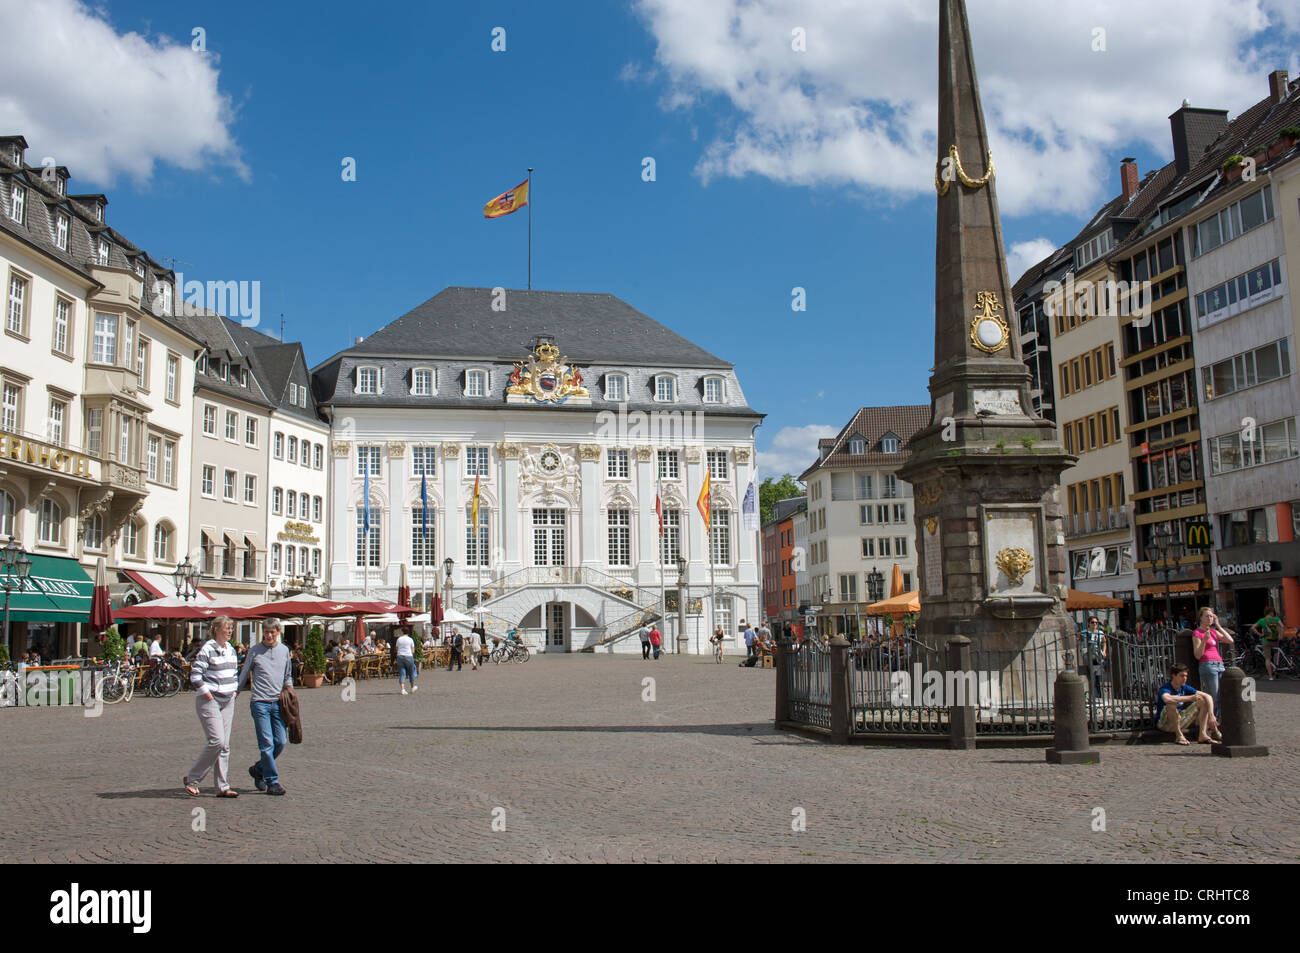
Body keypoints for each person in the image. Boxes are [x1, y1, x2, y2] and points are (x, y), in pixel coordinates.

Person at [183, 615, 241, 798]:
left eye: (231, 628)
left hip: (228, 699)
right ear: (216, 629)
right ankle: (193, 778)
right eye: (226, 628)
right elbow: (195, 675)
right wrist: (207, 693)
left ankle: (222, 787)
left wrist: (233, 692)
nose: (230, 631)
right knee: (217, 741)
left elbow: (234, 672)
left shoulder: (231, 649)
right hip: (210, 700)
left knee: (225, 746)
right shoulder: (207, 649)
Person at [238, 619, 293, 797]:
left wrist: (289, 688)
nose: (268, 635)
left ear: (278, 632)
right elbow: (245, 673)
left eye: (272, 632)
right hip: (259, 702)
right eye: (266, 632)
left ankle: (258, 769)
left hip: (277, 703)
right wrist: (234, 693)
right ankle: (272, 781)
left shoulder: (284, 651)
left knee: (281, 741)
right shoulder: (255, 651)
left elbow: (287, 675)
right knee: (267, 744)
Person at [1155, 662, 1220, 745]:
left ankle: (1203, 735)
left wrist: (1211, 715)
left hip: (1179, 719)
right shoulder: (1166, 687)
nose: (1185, 678)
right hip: (1163, 723)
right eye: (1182, 676)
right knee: (1171, 704)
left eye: (1186, 676)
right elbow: (1167, 698)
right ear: (1174, 675)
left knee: (1203, 701)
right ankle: (1179, 736)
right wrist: (1190, 698)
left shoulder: (1184, 687)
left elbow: (1208, 696)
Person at [1193, 607, 1234, 716]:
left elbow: (1230, 640)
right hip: (1208, 665)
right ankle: (1214, 719)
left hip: (1219, 664)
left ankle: (1215, 717)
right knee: (1214, 695)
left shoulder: (1213, 631)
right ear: (1200, 618)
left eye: (1211, 616)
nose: (1209, 618)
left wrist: (1219, 626)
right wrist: (1205, 640)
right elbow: (1197, 655)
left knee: (1221, 693)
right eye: (1207, 616)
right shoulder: (1197, 633)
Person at [1251, 605, 1284, 679]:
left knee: (1267, 658)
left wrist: (1259, 634)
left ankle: (1270, 676)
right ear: (1271, 612)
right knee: (1276, 655)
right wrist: (1280, 636)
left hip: (1266, 640)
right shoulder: (1276, 619)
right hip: (1275, 640)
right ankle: (1276, 670)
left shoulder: (1262, 620)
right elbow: (1282, 626)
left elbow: (1253, 627)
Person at [1081, 617, 1107, 698]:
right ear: (1088, 623)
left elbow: (1104, 641)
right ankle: (1094, 695)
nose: (1095, 624)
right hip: (1088, 654)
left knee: (1098, 675)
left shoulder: (1100, 633)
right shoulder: (1084, 632)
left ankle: (1098, 695)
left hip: (1097, 655)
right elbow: (1077, 638)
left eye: (1096, 623)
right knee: (1091, 675)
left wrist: (1104, 651)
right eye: (1092, 622)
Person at [395, 628, 419, 694]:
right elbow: (413, 650)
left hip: (400, 656)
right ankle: (412, 687)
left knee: (402, 673)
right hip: (408, 656)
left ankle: (402, 689)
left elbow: (397, 649)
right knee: (411, 672)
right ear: (408, 632)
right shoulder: (410, 639)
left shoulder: (399, 639)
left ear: (402, 632)